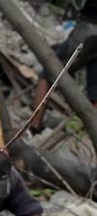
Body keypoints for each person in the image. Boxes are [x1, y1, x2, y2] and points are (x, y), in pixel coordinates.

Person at [31, 0, 97, 132]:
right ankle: (85, 134)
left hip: (89, 30)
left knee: (49, 72)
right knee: (95, 90)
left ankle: (34, 125)